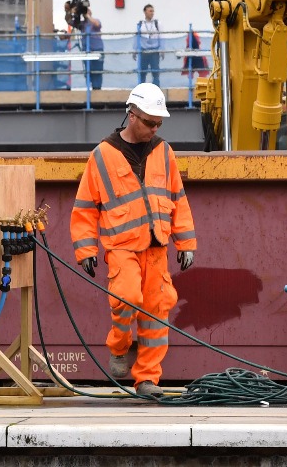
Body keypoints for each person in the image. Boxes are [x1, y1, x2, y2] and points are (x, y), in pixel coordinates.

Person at [71, 83, 196, 398]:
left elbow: (178, 199)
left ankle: (147, 380)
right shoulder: (102, 156)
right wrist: (85, 250)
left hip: (156, 249)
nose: (154, 129)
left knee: (156, 313)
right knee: (126, 297)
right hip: (122, 247)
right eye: (150, 122)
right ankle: (120, 345)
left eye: (159, 124)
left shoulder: (164, 152)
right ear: (132, 115)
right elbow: (85, 208)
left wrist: (186, 244)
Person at [136, 4, 162, 86]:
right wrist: (135, 50)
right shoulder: (140, 24)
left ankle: (156, 89)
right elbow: (137, 38)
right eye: (150, 11)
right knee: (142, 73)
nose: (152, 13)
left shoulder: (157, 23)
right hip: (144, 51)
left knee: (155, 73)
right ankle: (141, 89)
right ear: (145, 12)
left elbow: (161, 36)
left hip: (154, 51)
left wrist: (162, 49)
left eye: (153, 11)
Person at [80, 6, 104, 90]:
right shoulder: (82, 24)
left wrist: (88, 16)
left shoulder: (96, 20)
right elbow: (70, 22)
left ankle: (97, 88)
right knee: (88, 70)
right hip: (86, 50)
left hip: (97, 49)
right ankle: (89, 89)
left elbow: (97, 24)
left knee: (97, 70)